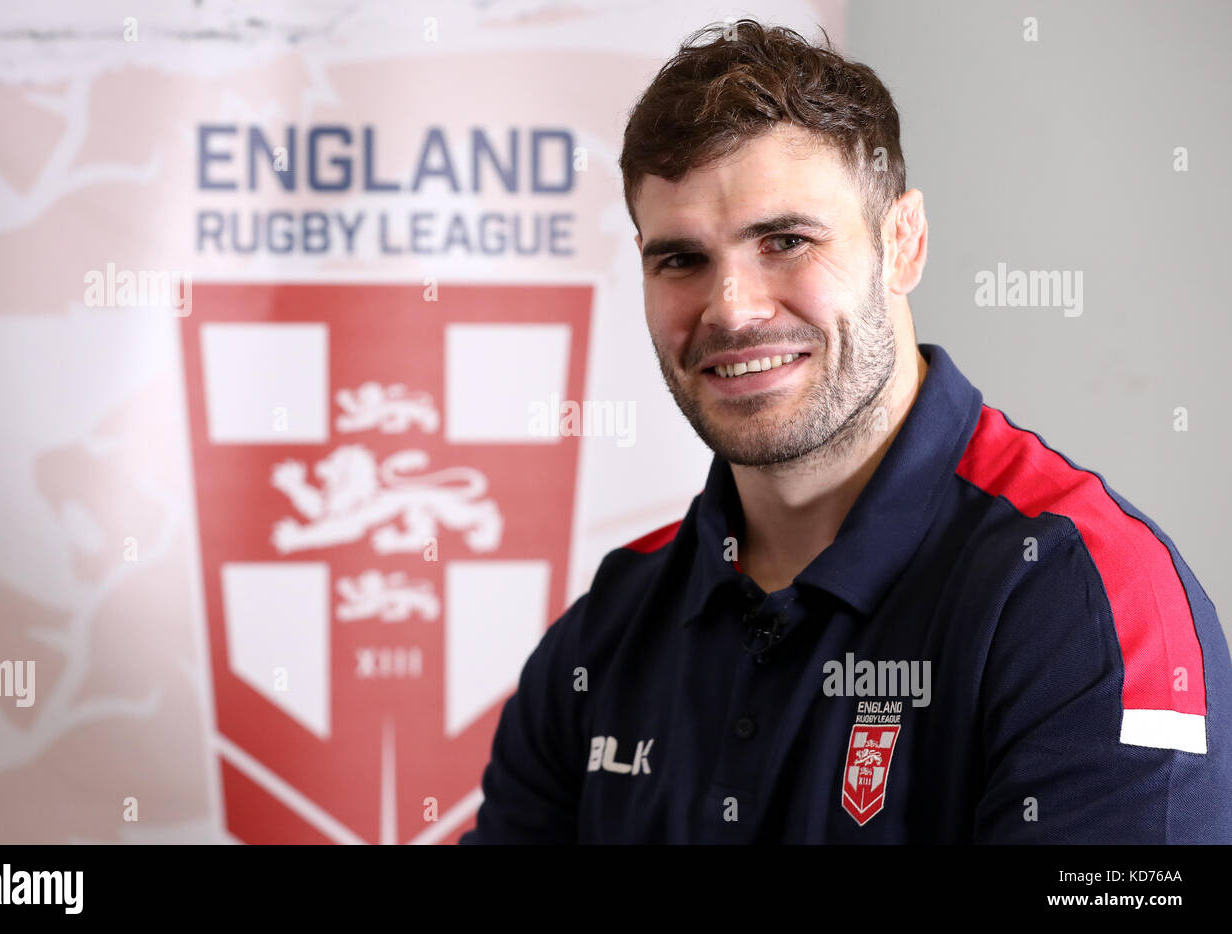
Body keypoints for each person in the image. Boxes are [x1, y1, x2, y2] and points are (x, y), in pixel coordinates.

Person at [460, 19, 1232, 843]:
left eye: (785, 241)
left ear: (903, 243)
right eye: (680, 260)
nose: (731, 308)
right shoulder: (610, 626)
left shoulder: (1083, 601)